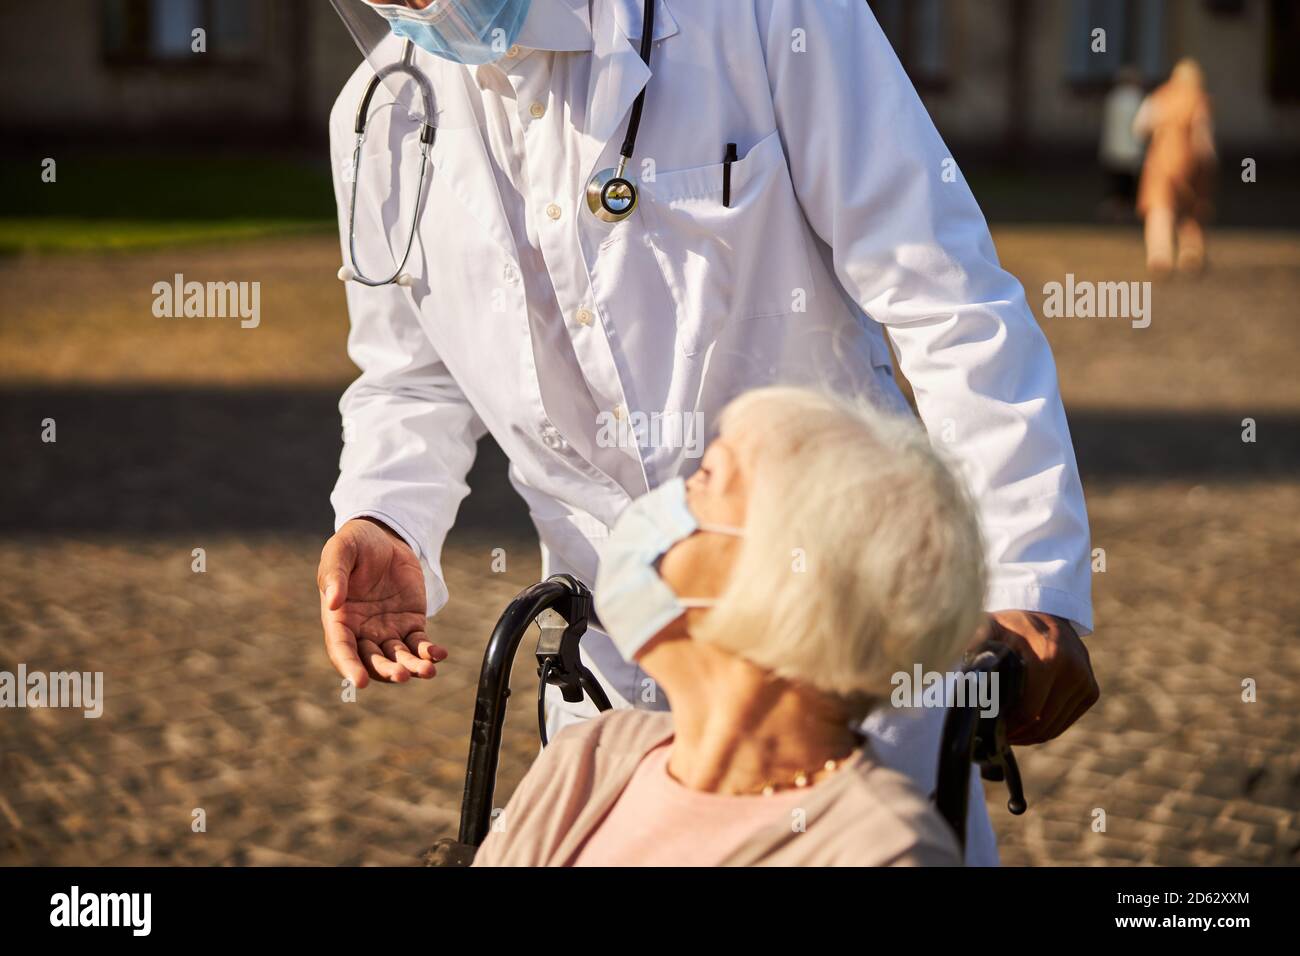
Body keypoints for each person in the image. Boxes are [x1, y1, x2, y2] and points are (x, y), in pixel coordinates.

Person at [317, 0, 1099, 865]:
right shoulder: (378, 113)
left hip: (833, 628)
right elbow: (408, 374)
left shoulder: (765, 16)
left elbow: (942, 293)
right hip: (614, 654)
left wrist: (1026, 572)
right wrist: (387, 514)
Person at [474, 387, 980, 866]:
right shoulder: (586, 758)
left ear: (784, 573)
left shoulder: (880, 850)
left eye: (706, 479)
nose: (660, 504)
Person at [1134, 58, 1216, 274]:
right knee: (1190, 210)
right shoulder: (1198, 99)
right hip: (1190, 164)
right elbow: (1203, 135)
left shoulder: (1160, 96)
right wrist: (1209, 159)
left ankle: (1159, 254)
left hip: (1160, 163)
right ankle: (1191, 252)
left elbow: (1141, 125)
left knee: (1159, 209)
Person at [1098, 66, 1145, 220]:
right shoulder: (1137, 98)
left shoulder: (1112, 98)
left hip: (1113, 147)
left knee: (1116, 181)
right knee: (1129, 183)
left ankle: (1115, 207)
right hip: (1132, 148)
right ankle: (1126, 208)